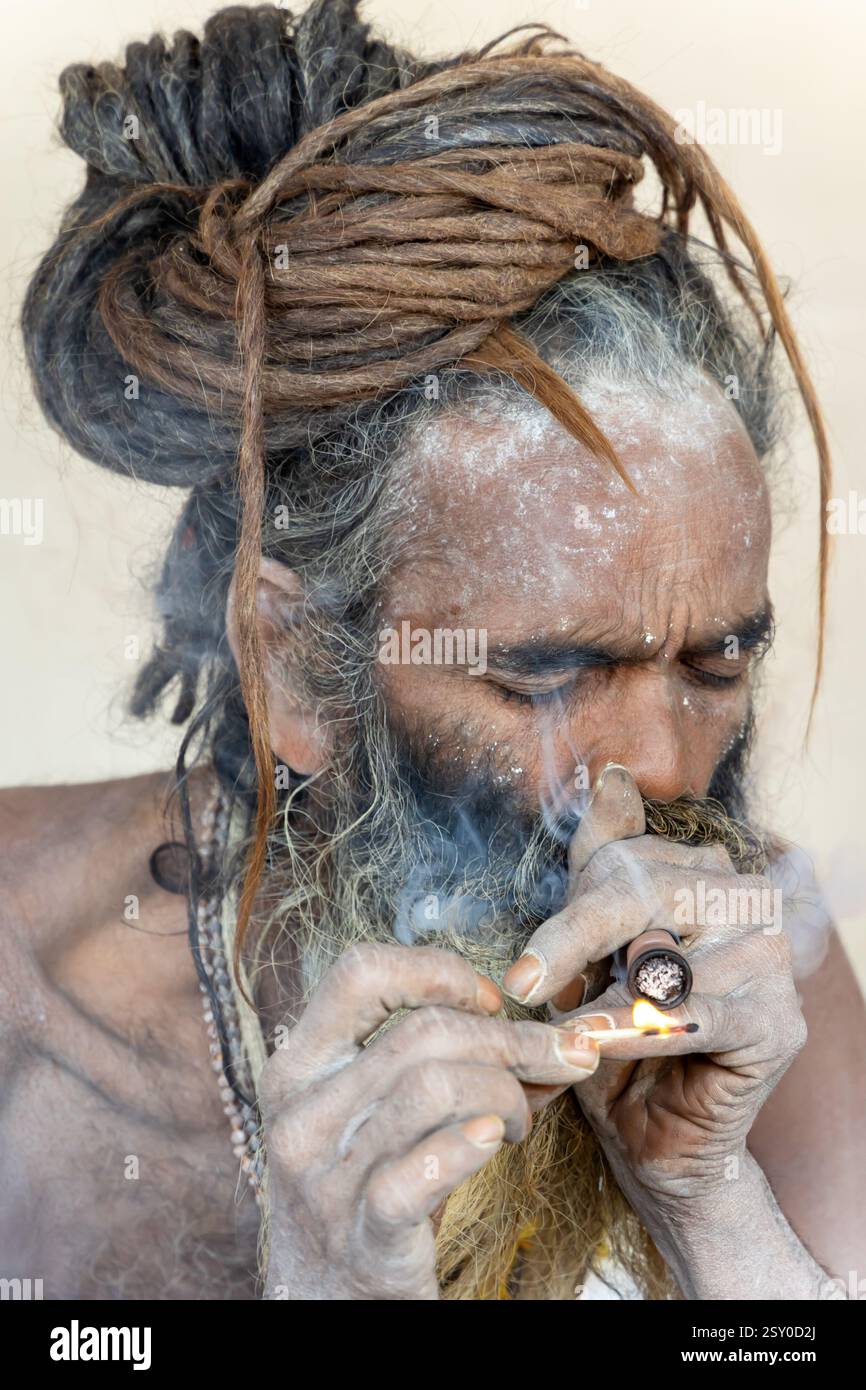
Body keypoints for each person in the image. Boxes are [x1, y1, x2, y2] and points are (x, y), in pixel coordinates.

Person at [4, 0, 865, 1301]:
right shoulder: (25, 983)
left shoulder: (761, 961)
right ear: (294, 661)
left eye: (713, 666)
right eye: (538, 675)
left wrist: (714, 1214)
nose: (650, 782)